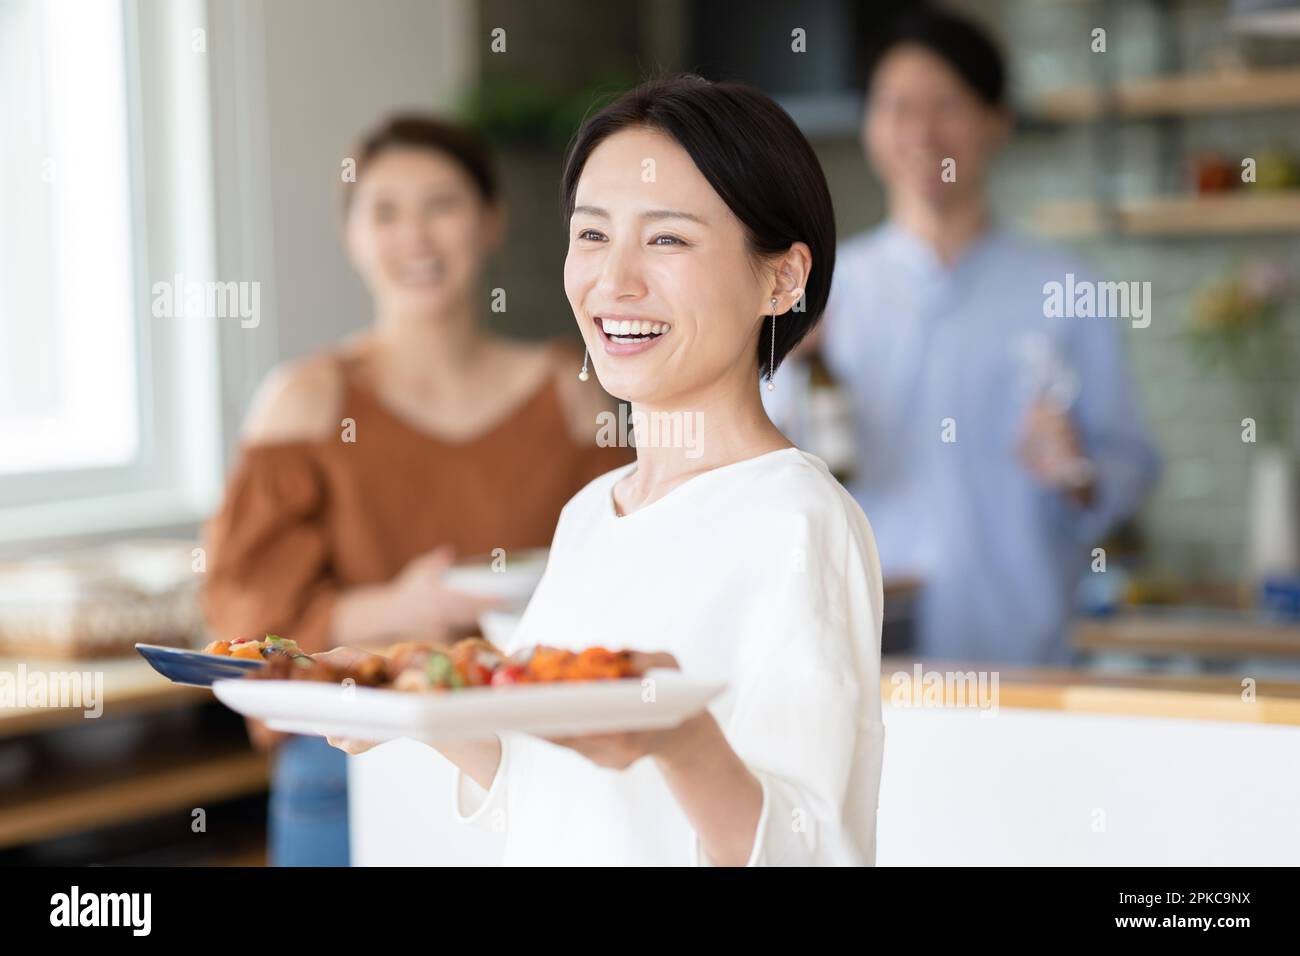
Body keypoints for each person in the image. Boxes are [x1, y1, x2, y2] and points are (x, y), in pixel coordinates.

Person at [329, 74, 886, 867]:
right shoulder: (592, 511)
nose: (614, 282)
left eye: (666, 239)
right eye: (592, 235)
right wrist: (412, 702)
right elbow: (560, 799)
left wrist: (683, 739)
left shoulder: (797, 520)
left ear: (782, 278)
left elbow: (811, 852)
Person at [202, 115, 630, 866]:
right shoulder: (305, 400)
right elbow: (247, 625)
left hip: (532, 747)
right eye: (386, 211)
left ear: (492, 220)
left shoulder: (571, 392)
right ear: (352, 236)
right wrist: (403, 609)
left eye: (442, 205)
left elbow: (627, 584)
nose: (417, 236)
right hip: (348, 758)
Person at [768, 5, 1160, 665]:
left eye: (946, 104)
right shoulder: (816, 292)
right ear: (869, 126)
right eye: (896, 106)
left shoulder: (1068, 289)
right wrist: (787, 377)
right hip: (857, 657)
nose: (921, 131)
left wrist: (1079, 472)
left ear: (996, 122)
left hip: (1025, 652)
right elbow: (764, 473)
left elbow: (1130, 467)